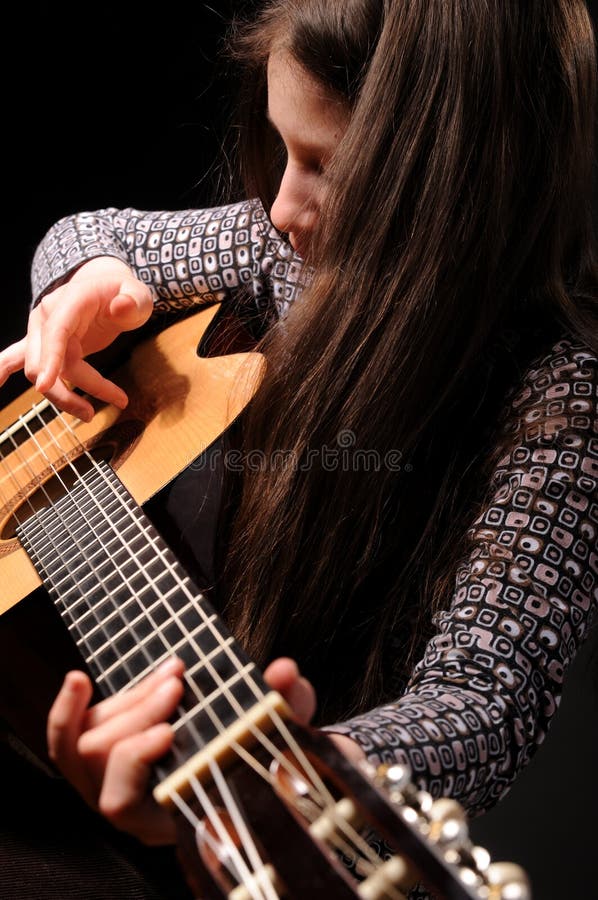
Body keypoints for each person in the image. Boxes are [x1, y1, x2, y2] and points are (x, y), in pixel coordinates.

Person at [1, 0, 597, 896]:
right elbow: (92, 233)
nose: (278, 205)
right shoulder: (277, 252)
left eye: (323, 164)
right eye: (283, 149)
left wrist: (280, 764)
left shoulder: (558, 401)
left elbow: (483, 704)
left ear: (453, 183)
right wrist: (83, 282)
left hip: (262, 838)